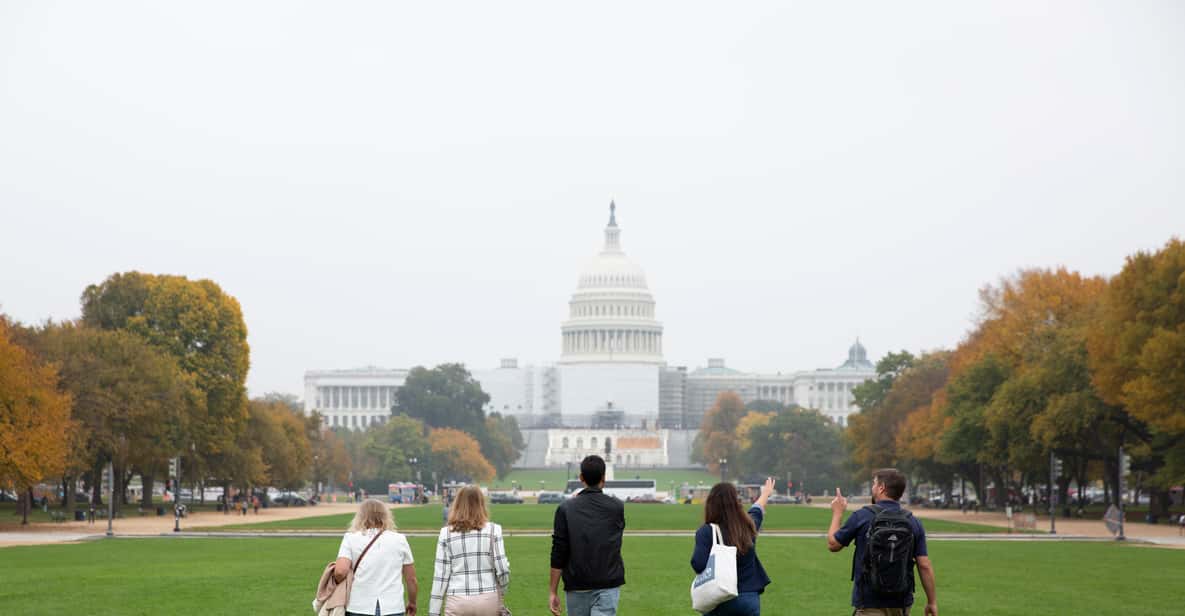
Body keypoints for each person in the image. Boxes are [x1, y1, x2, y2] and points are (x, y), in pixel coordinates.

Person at [827, 469, 937, 616]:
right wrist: (931, 602)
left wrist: (837, 512)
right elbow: (924, 565)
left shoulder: (862, 516)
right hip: (901, 603)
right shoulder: (913, 522)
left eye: (874, 484)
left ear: (881, 487)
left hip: (869, 602)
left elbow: (833, 544)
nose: (872, 488)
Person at [549, 455, 625, 616]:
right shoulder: (616, 507)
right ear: (604, 478)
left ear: (581, 478)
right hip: (607, 581)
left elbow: (559, 552)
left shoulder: (565, 509)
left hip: (577, 583)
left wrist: (553, 591)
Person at [690, 477, 775, 615]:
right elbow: (756, 510)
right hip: (749, 598)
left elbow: (698, 564)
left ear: (711, 504)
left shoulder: (707, 531)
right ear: (736, 503)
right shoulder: (748, 526)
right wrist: (765, 494)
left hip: (720, 597)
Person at [429, 485, 510, 616]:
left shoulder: (446, 533)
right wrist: (503, 589)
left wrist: (434, 611)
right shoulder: (494, 530)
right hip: (488, 598)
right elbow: (502, 568)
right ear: (481, 504)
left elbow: (440, 576)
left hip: (457, 599)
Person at [335, 498, 418, 616]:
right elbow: (411, 579)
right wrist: (412, 602)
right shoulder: (400, 539)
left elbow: (340, 571)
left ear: (361, 516)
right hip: (392, 607)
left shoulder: (350, 538)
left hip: (359, 606)